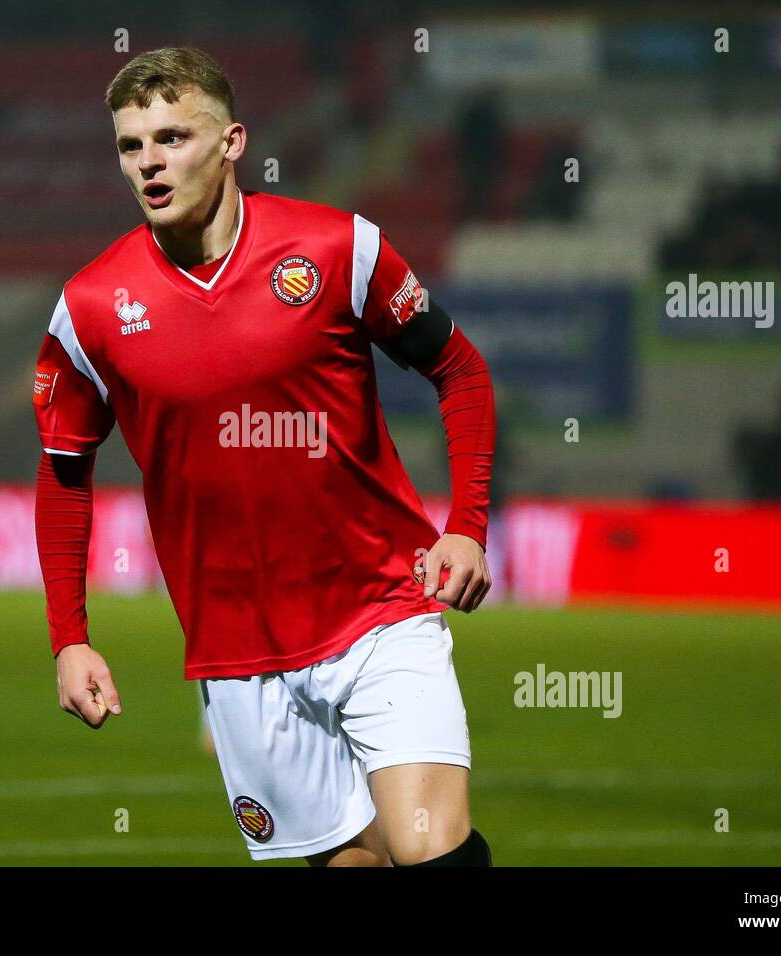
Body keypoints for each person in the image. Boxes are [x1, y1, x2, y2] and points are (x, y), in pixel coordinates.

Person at [32, 47, 496, 866]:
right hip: (236, 655)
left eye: (172, 137)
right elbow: (64, 471)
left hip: (380, 608)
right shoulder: (91, 308)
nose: (150, 162)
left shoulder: (336, 249)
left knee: (432, 849)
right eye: (131, 145)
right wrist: (70, 637)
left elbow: (457, 369)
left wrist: (465, 527)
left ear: (233, 141)